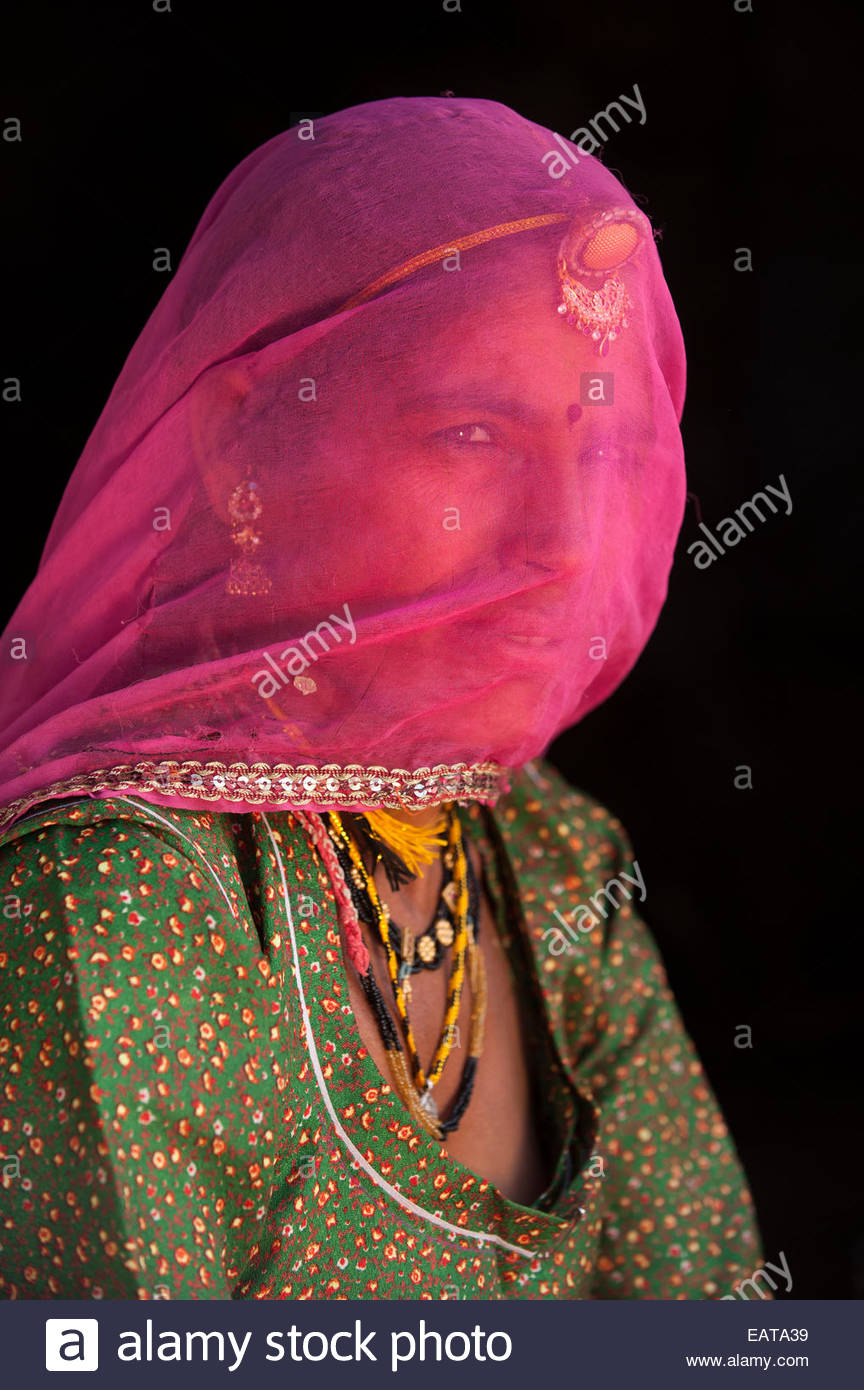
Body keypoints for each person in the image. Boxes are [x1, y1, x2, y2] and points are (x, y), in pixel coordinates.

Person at [0, 95, 764, 1299]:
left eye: (600, 450)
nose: (565, 541)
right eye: (470, 433)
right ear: (240, 445)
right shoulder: (122, 904)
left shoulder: (550, 849)